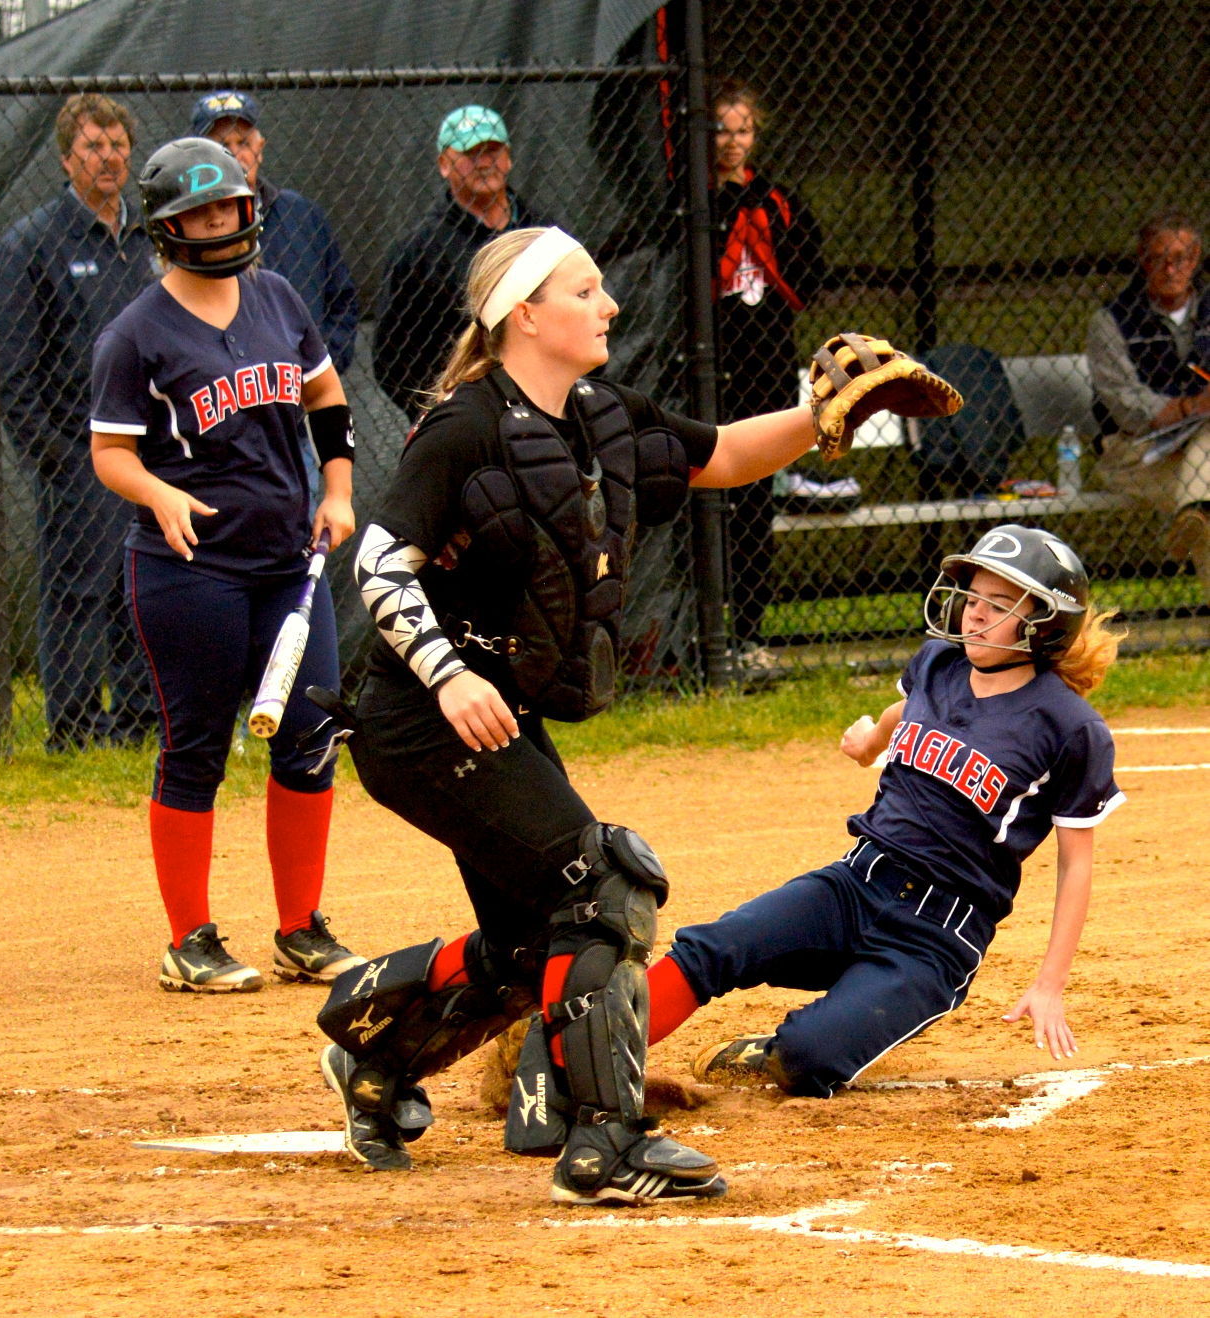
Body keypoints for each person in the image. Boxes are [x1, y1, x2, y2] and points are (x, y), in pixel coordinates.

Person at [313, 226, 913, 1207]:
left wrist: (818, 415)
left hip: (495, 716)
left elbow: (717, 457)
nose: (609, 306)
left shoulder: (596, 415)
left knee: (529, 944)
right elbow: (380, 562)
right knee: (604, 881)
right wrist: (445, 674)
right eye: (585, 291)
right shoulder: (463, 425)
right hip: (422, 721)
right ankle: (604, 1143)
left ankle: (373, 1057)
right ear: (525, 316)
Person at [631, 525, 1124, 1097]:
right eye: (973, 598)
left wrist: (1050, 983)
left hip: (935, 937)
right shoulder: (939, 664)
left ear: (1045, 622)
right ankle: (578, 1052)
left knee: (807, 1060)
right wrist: (871, 742)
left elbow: (1076, 864)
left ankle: (788, 1045)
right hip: (851, 886)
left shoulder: (1069, 727)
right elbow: (906, 706)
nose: (974, 614)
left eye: (999, 604)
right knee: (713, 949)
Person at [89, 137, 363, 994]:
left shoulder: (279, 299)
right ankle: (189, 938)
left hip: (292, 562)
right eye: (196, 214)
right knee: (196, 746)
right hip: (190, 571)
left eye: (227, 207)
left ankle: (300, 929)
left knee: (312, 739)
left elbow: (326, 397)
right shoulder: (135, 335)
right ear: (166, 228)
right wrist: (157, 493)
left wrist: (339, 489)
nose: (216, 224)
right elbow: (109, 452)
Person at [0, 92, 157, 752]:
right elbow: (15, 374)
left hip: (151, 451)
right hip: (79, 451)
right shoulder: (31, 243)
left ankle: (143, 718)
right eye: (94, 146)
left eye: (118, 144)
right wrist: (59, 456)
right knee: (78, 592)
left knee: (143, 583)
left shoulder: (151, 239)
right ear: (66, 159)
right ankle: (77, 724)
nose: (109, 158)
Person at [707, 82, 827, 664]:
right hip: (713, 367)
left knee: (756, 498)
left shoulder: (777, 201)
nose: (732, 143)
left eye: (743, 130)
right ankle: (709, 628)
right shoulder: (696, 201)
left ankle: (750, 629)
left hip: (767, 359)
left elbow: (810, 269)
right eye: (721, 131)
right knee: (711, 493)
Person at [371, 104, 552, 421]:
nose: (484, 163)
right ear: (444, 164)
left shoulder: (547, 235)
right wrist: (442, 413)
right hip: (469, 419)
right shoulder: (419, 252)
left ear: (508, 158)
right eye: (471, 154)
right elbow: (391, 357)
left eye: (492, 151)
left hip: (547, 408)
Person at [188, 90, 359, 376]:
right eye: (221, 144)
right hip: (226, 395)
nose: (234, 154)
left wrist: (320, 365)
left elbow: (342, 297)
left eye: (243, 142)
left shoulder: (302, 213)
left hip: (303, 389)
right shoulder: (187, 226)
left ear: (260, 147)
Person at [1087, 210, 1210, 601]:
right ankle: (1198, 507)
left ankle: (1197, 511)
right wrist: (1191, 406)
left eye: (1180, 257)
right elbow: (1127, 406)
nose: (1170, 269)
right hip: (1134, 453)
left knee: (1207, 512)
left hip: (1198, 455)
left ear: (1195, 259)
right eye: (1159, 258)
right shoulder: (1111, 321)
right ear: (1143, 260)